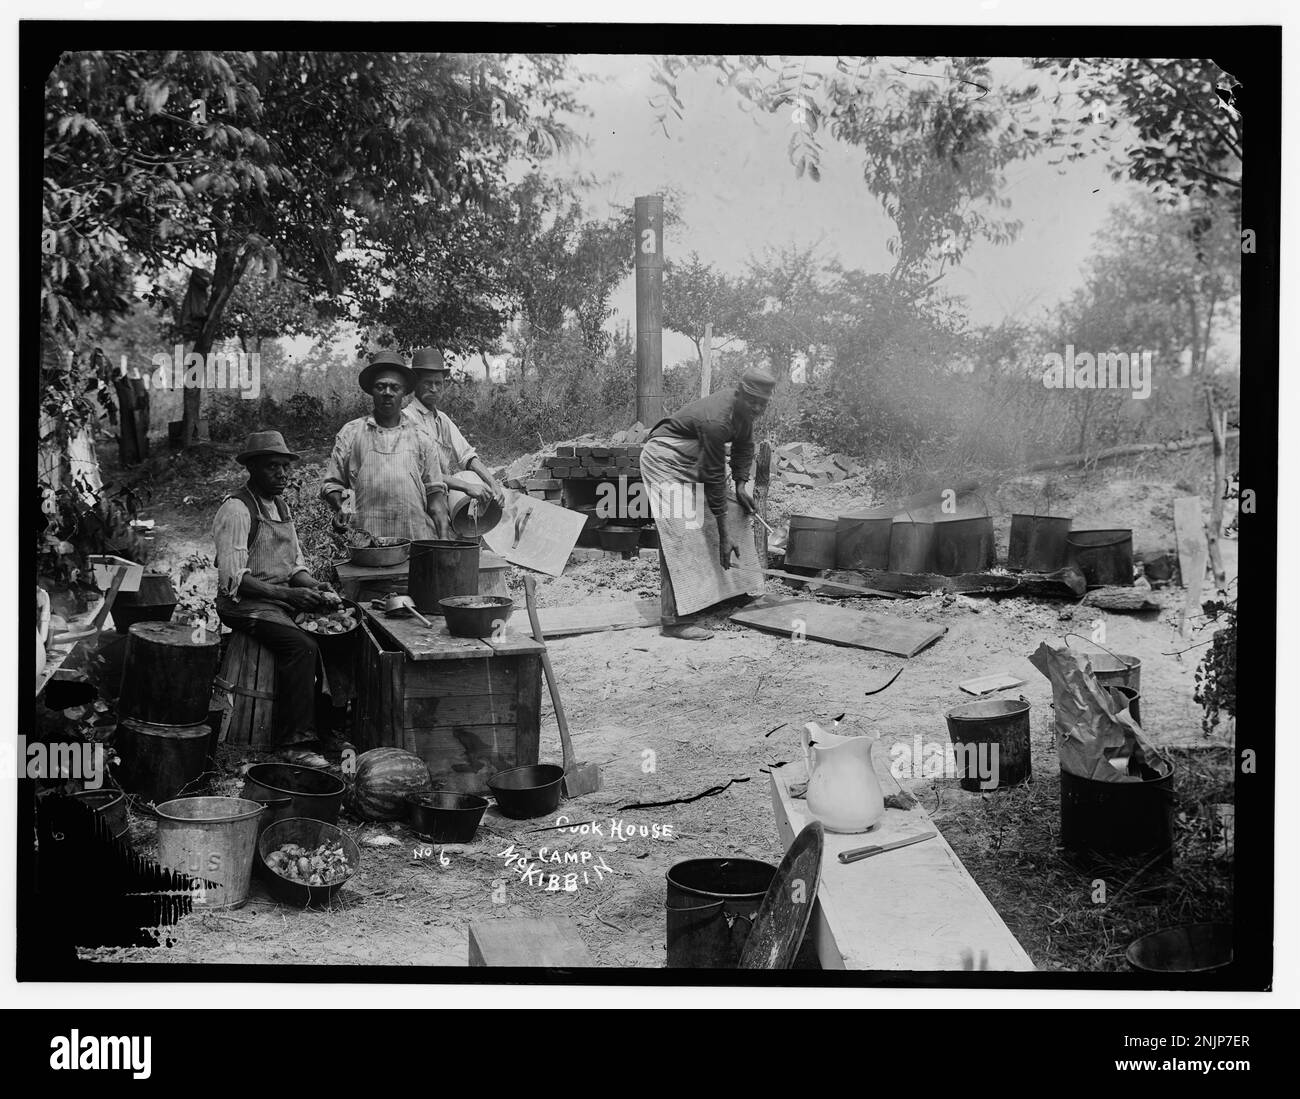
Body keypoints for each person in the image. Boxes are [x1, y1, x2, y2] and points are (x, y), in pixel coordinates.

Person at [213, 431, 342, 768]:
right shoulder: (237, 509)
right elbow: (234, 579)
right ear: (252, 468)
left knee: (337, 637)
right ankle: (294, 742)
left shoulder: (281, 506)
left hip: (279, 600)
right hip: (243, 606)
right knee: (301, 646)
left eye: (285, 466)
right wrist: (289, 595)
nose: (282, 474)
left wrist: (315, 587)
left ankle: (328, 728)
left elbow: (294, 566)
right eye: (273, 467)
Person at [640, 365, 778, 640]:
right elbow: (712, 476)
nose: (756, 408)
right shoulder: (717, 420)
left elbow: (743, 447)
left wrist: (740, 485)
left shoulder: (745, 413)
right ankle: (674, 621)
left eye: (762, 403)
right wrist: (724, 535)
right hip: (664, 461)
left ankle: (733, 594)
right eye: (752, 401)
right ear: (739, 393)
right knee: (680, 533)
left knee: (738, 512)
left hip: (693, 460)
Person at [322, 351, 454, 541]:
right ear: (372, 391)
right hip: (366, 544)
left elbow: (435, 497)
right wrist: (345, 507)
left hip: (415, 542)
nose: (387, 393)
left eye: (394, 387)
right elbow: (333, 484)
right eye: (381, 387)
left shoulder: (421, 437)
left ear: (404, 392)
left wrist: (443, 543)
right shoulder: (352, 433)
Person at [403, 347, 506, 508]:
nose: (434, 389)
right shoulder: (406, 419)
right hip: (414, 504)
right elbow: (420, 473)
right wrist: (466, 486)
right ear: (416, 384)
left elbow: (467, 456)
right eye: (428, 383)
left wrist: (493, 484)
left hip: (440, 503)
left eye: (438, 383)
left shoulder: (442, 420)